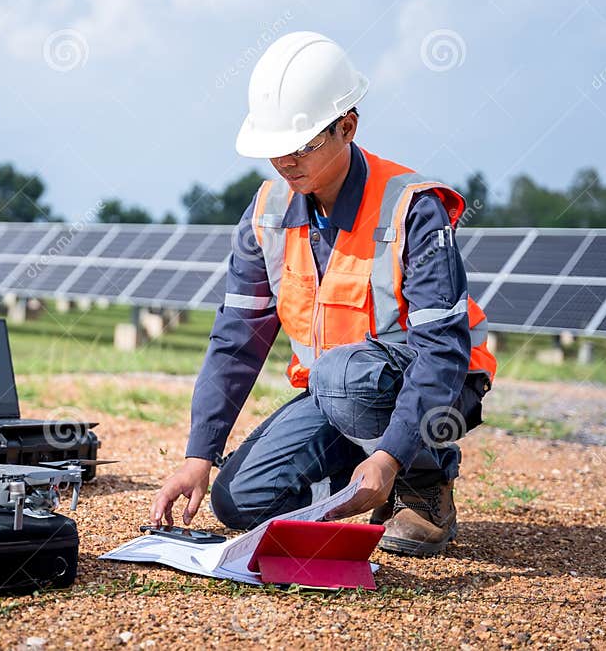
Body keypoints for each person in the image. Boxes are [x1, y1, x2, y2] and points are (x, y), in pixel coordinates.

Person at [150, 31, 496, 557]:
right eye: (274, 150)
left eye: (301, 145)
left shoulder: (412, 208)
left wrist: (392, 455)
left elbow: (444, 350)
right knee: (237, 501)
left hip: (440, 383)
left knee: (341, 375)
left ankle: (424, 481)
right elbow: (237, 337)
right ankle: (351, 486)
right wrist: (200, 454)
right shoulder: (266, 212)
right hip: (337, 394)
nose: (285, 161)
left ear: (347, 127)